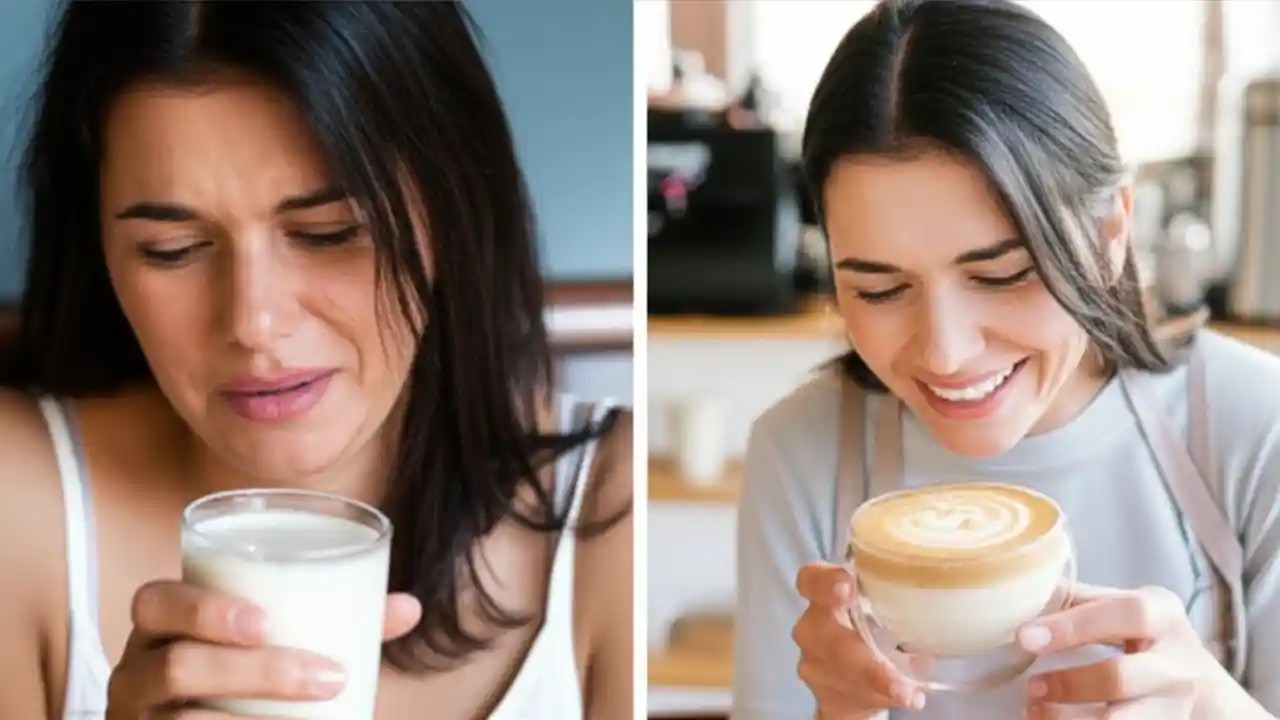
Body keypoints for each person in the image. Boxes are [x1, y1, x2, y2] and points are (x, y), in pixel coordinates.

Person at [0, 2, 633, 718]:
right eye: (171, 251)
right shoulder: (16, 504)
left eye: (330, 233)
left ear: (453, 211)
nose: (255, 323)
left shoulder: (613, 513)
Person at [732, 1, 1280, 718]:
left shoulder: (1251, 427)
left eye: (1002, 274)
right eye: (880, 287)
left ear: (1111, 230)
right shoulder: (801, 455)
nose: (946, 351)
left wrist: (1213, 706)